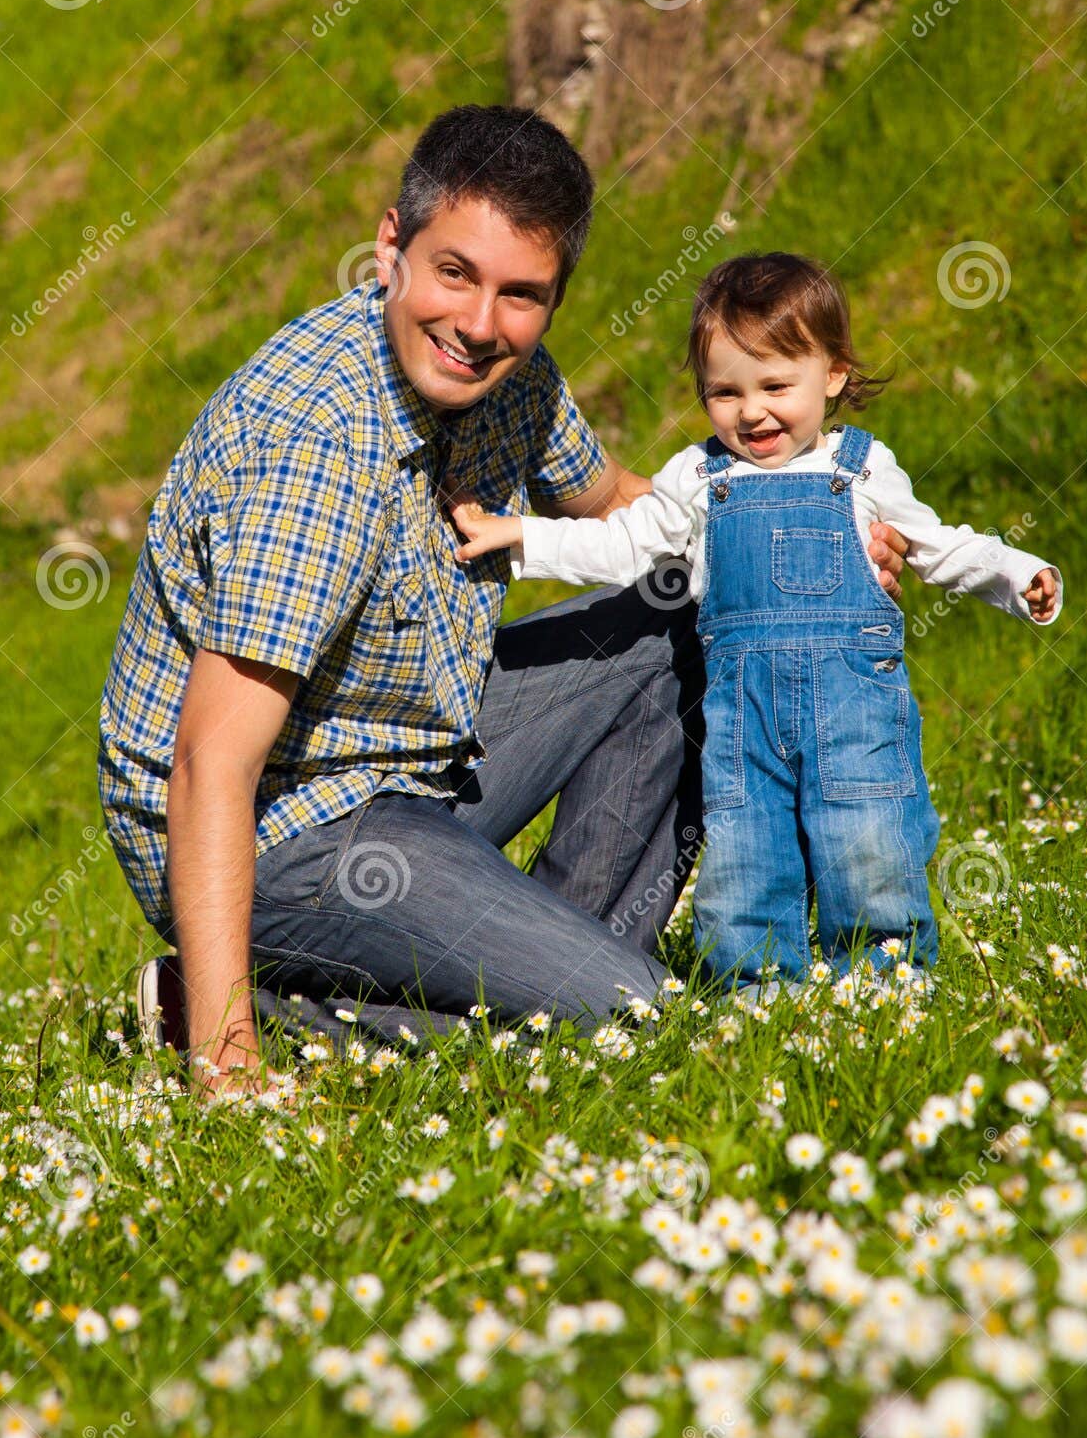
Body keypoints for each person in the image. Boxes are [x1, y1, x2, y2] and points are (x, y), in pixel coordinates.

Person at [99, 109, 910, 1098]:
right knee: (637, 1020)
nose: (480, 324)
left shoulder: (510, 383)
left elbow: (628, 508)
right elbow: (208, 763)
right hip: (280, 832)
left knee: (675, 613)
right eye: (454, 272)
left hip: (409, 751)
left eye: (520, 295)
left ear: (555, 297)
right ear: (391, 245)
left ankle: (565, 967)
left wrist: (815, 534)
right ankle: (246, 1012)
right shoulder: (314, 448)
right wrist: (225, 1064)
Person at [450, 251, 1061, 991]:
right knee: (744, 855)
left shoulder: (863, 470)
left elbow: (934, 544)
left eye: (776, 385)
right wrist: (525, 538)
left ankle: (884, 980)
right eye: (724, 392)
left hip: (855, 716)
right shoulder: (700, 479)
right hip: (742, 721)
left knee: (868, 840)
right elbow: (623, 543)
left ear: (832, 374)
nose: (751, 411)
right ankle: (757, 988)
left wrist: (1015, 572)